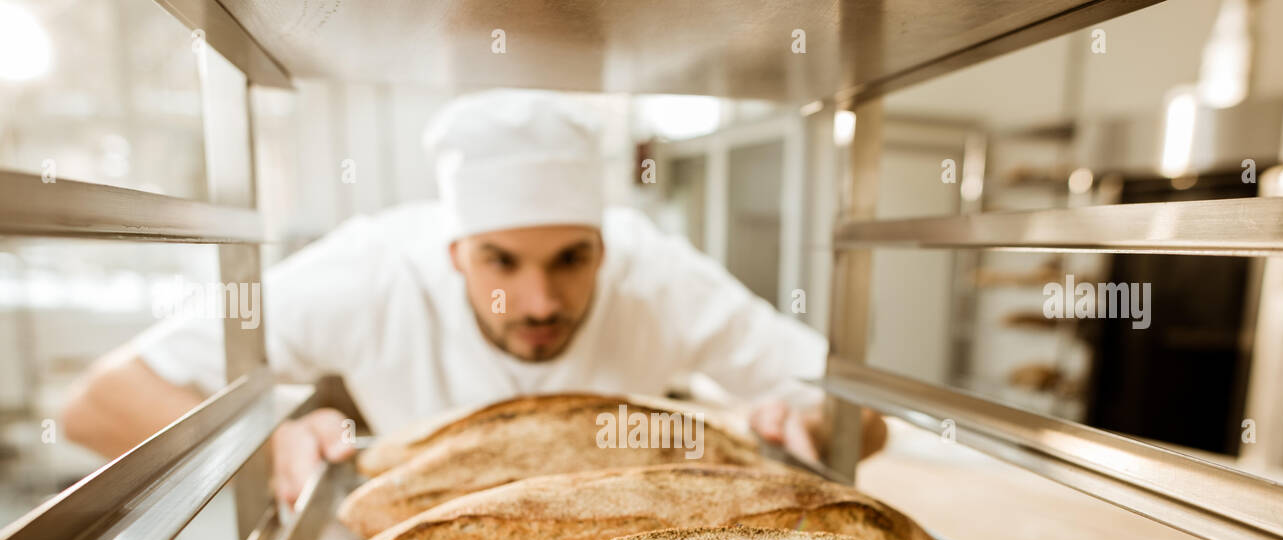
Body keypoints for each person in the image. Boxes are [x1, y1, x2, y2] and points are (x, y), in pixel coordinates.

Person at [61, 90, 885, 503]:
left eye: (571, 259)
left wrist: (805, 424)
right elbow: (97, 404)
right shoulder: (370, 272)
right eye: (501, 262)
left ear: (606, 247)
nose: (537, 301)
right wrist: (264, 448)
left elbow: (864, 413)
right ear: (454, 252)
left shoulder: (655, 274)